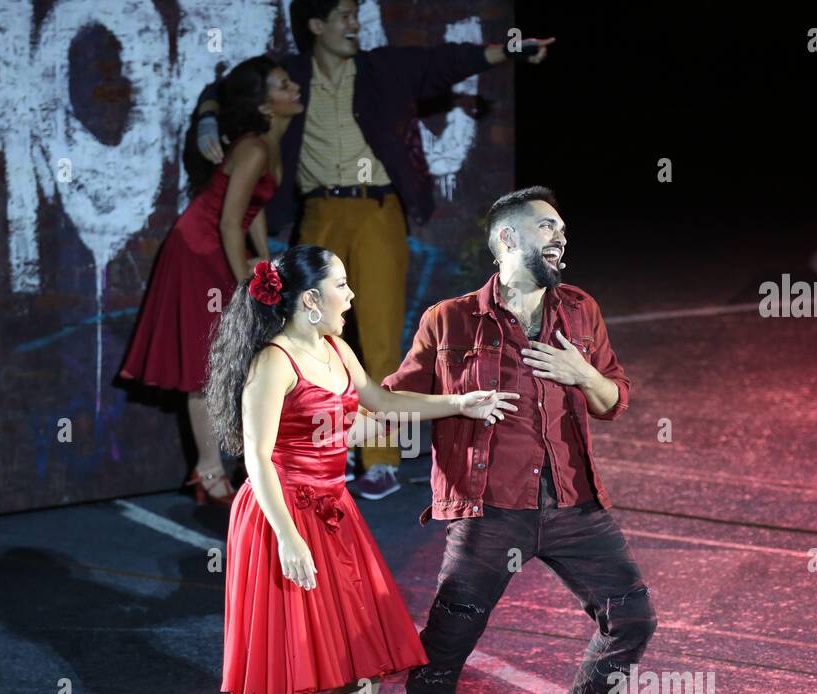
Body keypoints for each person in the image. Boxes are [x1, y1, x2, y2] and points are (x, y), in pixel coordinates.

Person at [205, 244, 517, 694]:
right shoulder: (272, 363)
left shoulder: (336, 349)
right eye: (343, 286)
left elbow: (382, 404)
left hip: (335, 513)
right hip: (282, 517)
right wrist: (289, 538)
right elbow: (258, 462)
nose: (352, 296)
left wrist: (459, 404)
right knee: (285, 674)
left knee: (365, 657)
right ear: (311, 299)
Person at [196, 0, 554, 500]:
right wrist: (209, 119)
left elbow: (445, 61)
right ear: (317, 25)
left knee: (381, 337)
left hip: (376, 210)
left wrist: (510, 50)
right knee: (307, 342)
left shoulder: (381, 67)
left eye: (355, 15)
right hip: (319, 213)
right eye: (341, 15)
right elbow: (226, 86)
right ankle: (316, 452)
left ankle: (381, 459)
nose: (353, 23)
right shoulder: (293, 76)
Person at [380, 186, 659, 694]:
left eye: (562, 227)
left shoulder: (581, 310)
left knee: (633, 619)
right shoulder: (450, 320)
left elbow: (614, 398)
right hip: (489, 512)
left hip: (573, 504)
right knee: (447, 646)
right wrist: (456, 403)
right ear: (508, 239)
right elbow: (394, 397)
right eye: (546, 227)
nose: (560, 237)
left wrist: (582, 375)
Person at [116, 56, 302, 506]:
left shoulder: (267, 143)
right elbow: (226, 223)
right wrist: (250, 290)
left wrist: (261, 263)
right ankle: (209, 470)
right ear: (263, 106)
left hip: (220, 246)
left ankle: (243, 463)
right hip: (197, 251)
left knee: (232, 361)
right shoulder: (256, 147)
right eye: (282, 84)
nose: (295, 87)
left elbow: (250, 214)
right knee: (205, 367)